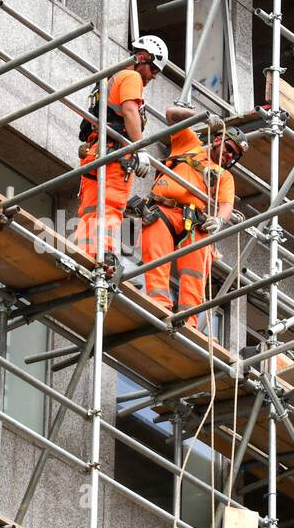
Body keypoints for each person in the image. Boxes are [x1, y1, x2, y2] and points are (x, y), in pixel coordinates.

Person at [138, 111, 247, 330]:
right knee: (156, 257)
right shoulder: (190, 144)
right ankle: (159, 304)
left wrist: (219, 221)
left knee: (196, 270)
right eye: (228, 149)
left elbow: (226, 205)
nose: (228, 157)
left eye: (233, 155)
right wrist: (201, 116)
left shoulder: (224, 176)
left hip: (193, 221)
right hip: (164, 210)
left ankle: (189, 320)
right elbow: (171, 115)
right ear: (217, 139)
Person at [75, 34, 169, 266]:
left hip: (96, 153)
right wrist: (140, 149)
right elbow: (129, 111)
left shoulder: (110, 79)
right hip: (113, 154)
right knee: (111, 205)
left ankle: (86, 252)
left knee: (91, 209)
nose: (154, 76)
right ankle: (101, 255)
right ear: (143, 58)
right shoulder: (131, 76)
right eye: (154, 69)